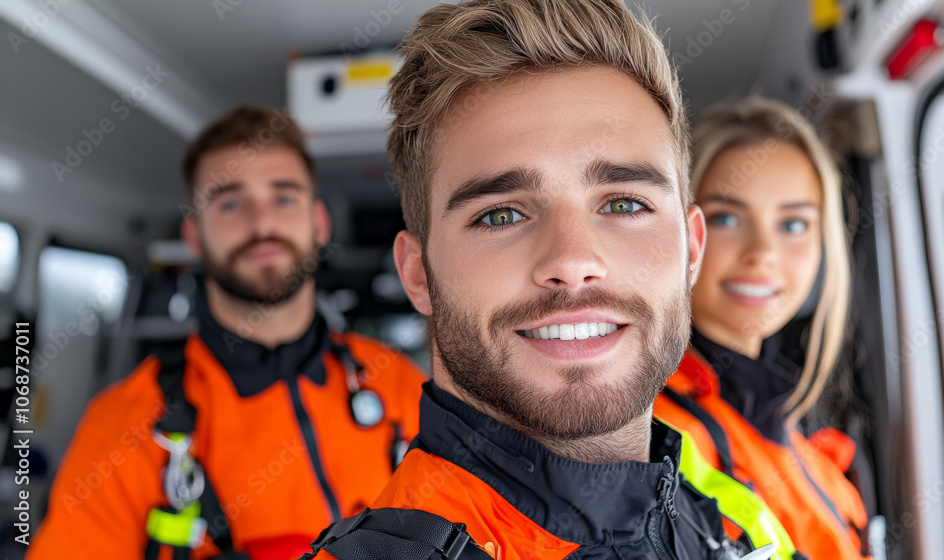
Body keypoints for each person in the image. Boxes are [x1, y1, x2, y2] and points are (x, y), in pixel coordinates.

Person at [300, 1, 764, 559]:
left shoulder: (734, 529)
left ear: (691, 250)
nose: (571, 260)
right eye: (501, 215)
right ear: (418, 274)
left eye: (622, 203)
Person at [28, 106, 426, 560]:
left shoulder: (397, 384)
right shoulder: (123, 427)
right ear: (194, 236)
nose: (261, 224)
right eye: (231, 203)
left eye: (284, 197)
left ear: (319, 224)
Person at [652, 97, 871, 560]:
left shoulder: (793, 426)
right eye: (727, 218)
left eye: (793, 224)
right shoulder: (654, 432)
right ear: (683, 233)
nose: (763, 252)